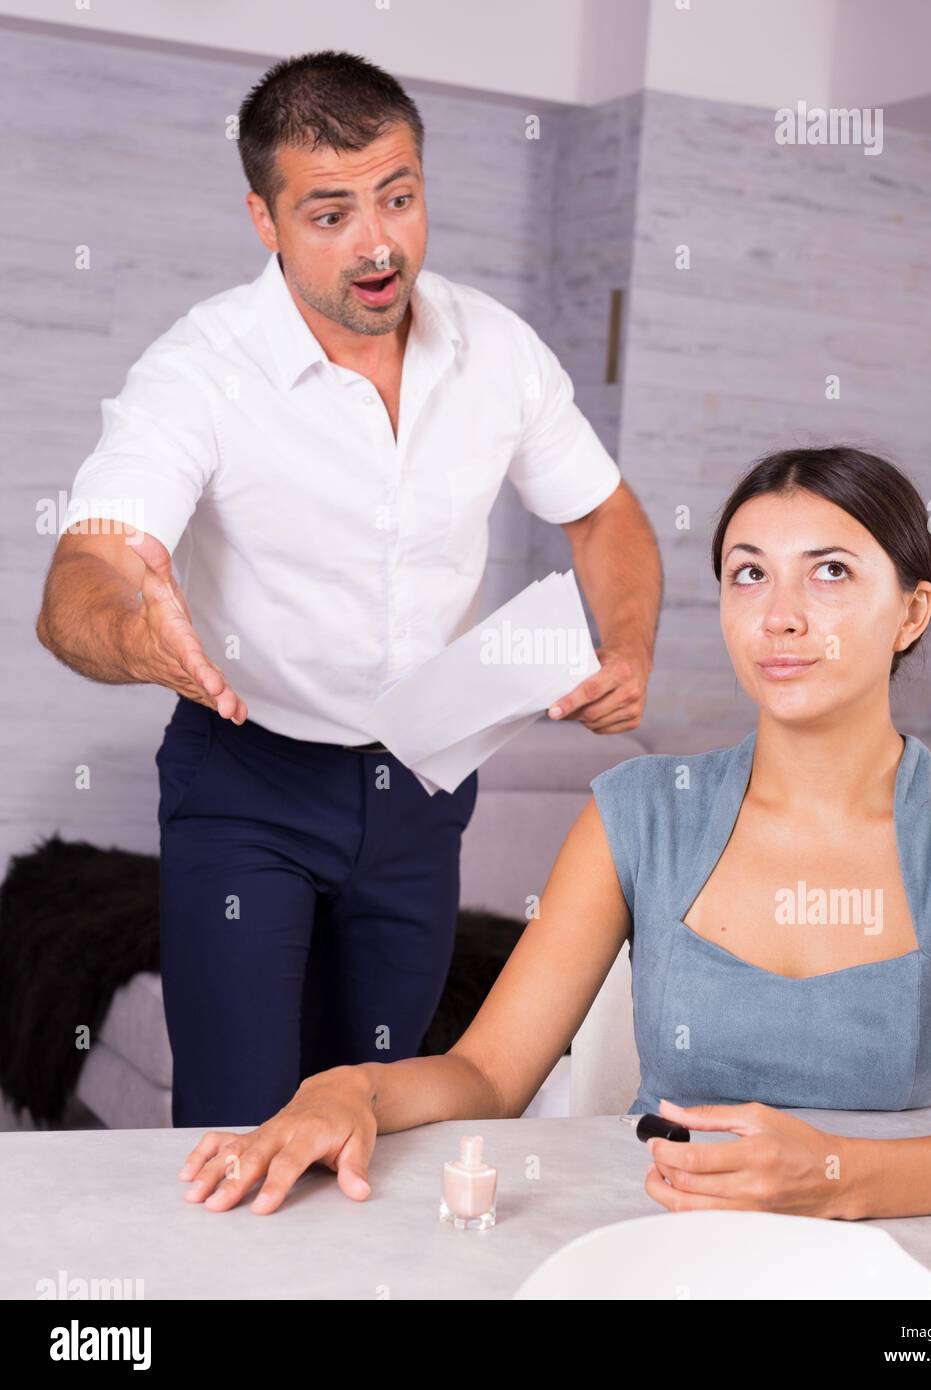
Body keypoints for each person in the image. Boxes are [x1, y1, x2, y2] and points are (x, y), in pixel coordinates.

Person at [176, 446, 931, 1220]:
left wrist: (838, 1179)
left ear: (911, 611)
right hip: (662, 1254)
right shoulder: (638, 812)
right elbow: (488, 1076)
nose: (780, 615)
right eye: (749, 574)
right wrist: (348, 1088)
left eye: (829, 573)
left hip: (895, 1266)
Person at [34, 51, 661, 1129]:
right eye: (329, 213)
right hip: (247, 783)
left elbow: (604, 511)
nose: (377, 243)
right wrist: (139, 634)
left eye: (399, 198)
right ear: (264, 219)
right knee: (239, 1118)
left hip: (419, 784)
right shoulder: (199, 370)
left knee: (376, 1103)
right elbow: (80, 576)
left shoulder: (496, 351)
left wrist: (631, 645)